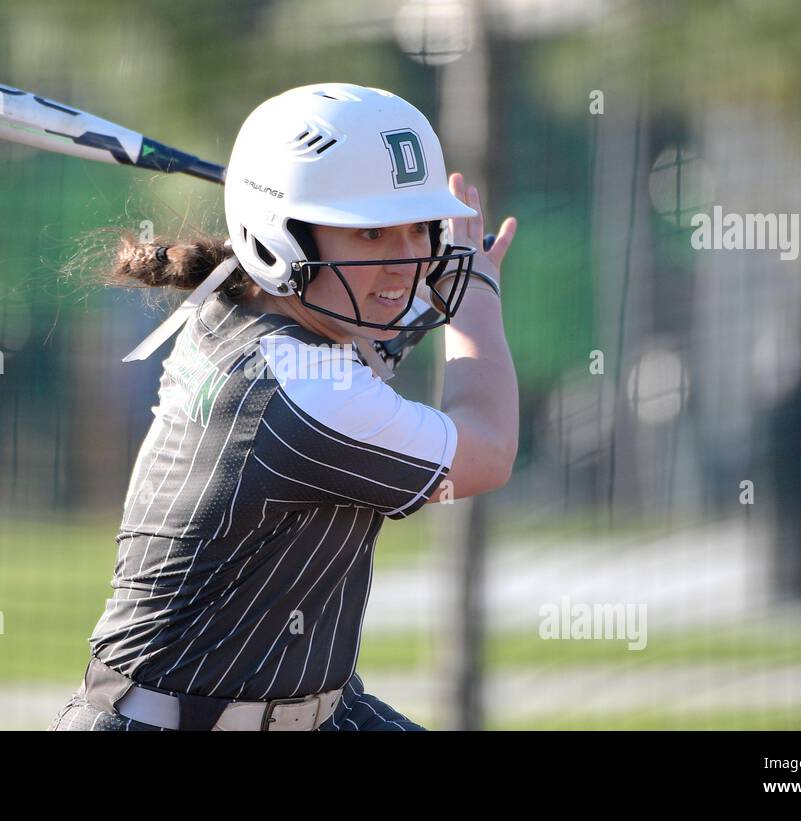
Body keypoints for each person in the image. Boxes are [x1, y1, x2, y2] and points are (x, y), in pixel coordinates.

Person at [48, 82, 518, 731]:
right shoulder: (303, 389)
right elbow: (487, 450)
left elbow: (367, 339)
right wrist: (479, 299)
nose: (406, 260)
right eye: (371, 232)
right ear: (279, 240)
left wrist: (424, 290)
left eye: (419, 227)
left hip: (310, 709)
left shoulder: (243, 306)